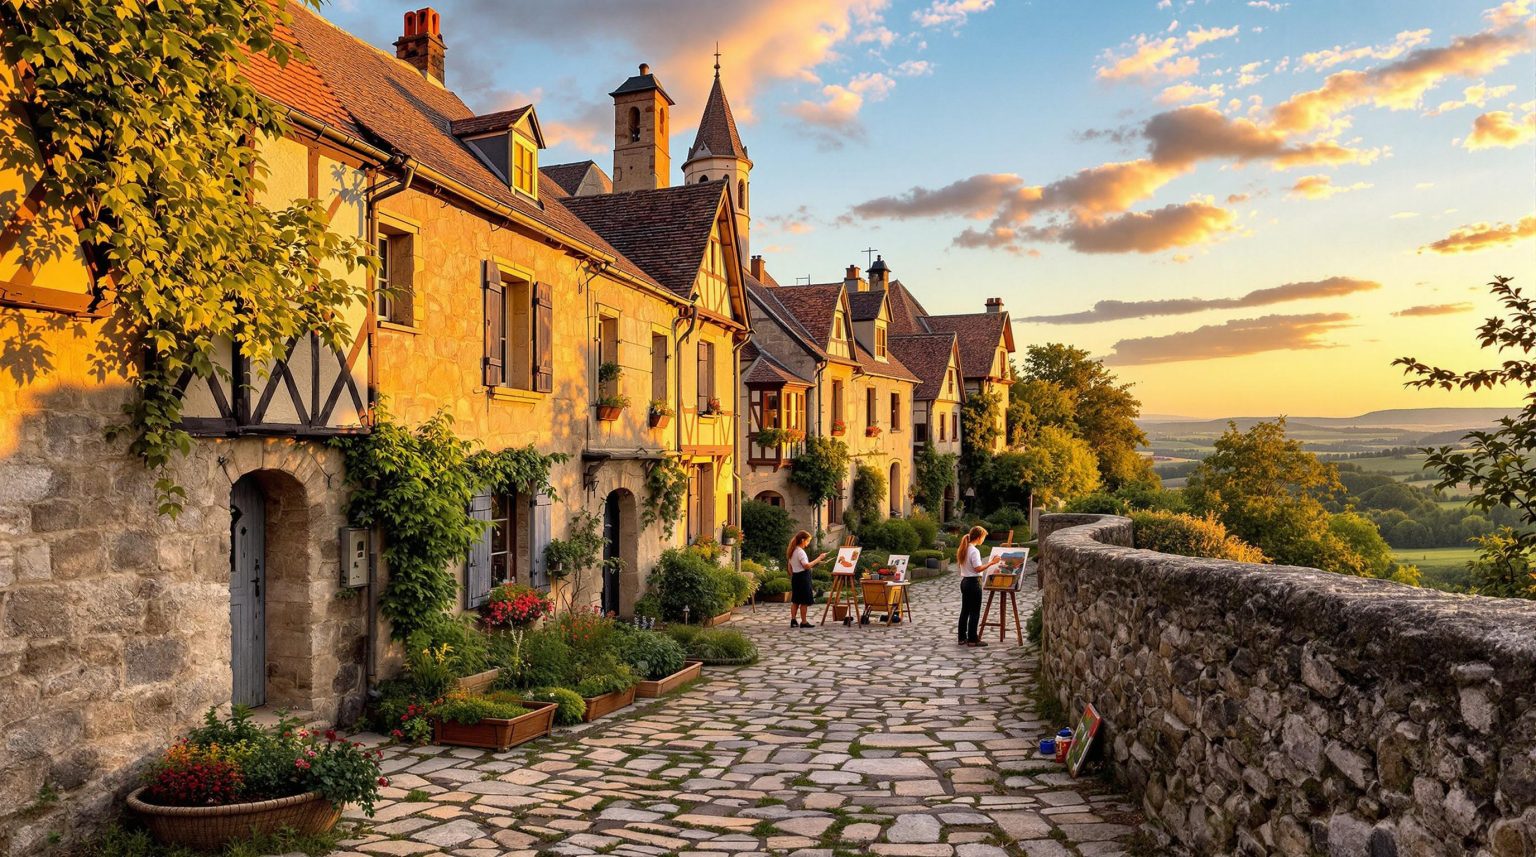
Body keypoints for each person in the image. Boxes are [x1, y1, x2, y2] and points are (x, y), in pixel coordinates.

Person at [956, 525, 999, 647]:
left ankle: (962, 638)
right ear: (979, 537)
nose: (983, 540)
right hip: (974, 582)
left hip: (965, 582)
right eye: (983, 537)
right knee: (974, 612)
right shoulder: (974, 551)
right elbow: (977, 568)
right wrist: (992, 563)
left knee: (965, 611)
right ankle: (973, 639)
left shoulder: (964, 548)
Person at [786, 530, 827, 629]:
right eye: (808, 541)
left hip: (795, 577)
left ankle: (793, 620)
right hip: (803, 578)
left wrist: (794, 574)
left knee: (795, 601)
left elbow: (789, 567)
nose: (808, 543)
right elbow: (806, 566)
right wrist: (819, 558)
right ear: (803, 540)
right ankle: (804, 622)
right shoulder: (800, 552)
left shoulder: (792, 550)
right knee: (804, 601)